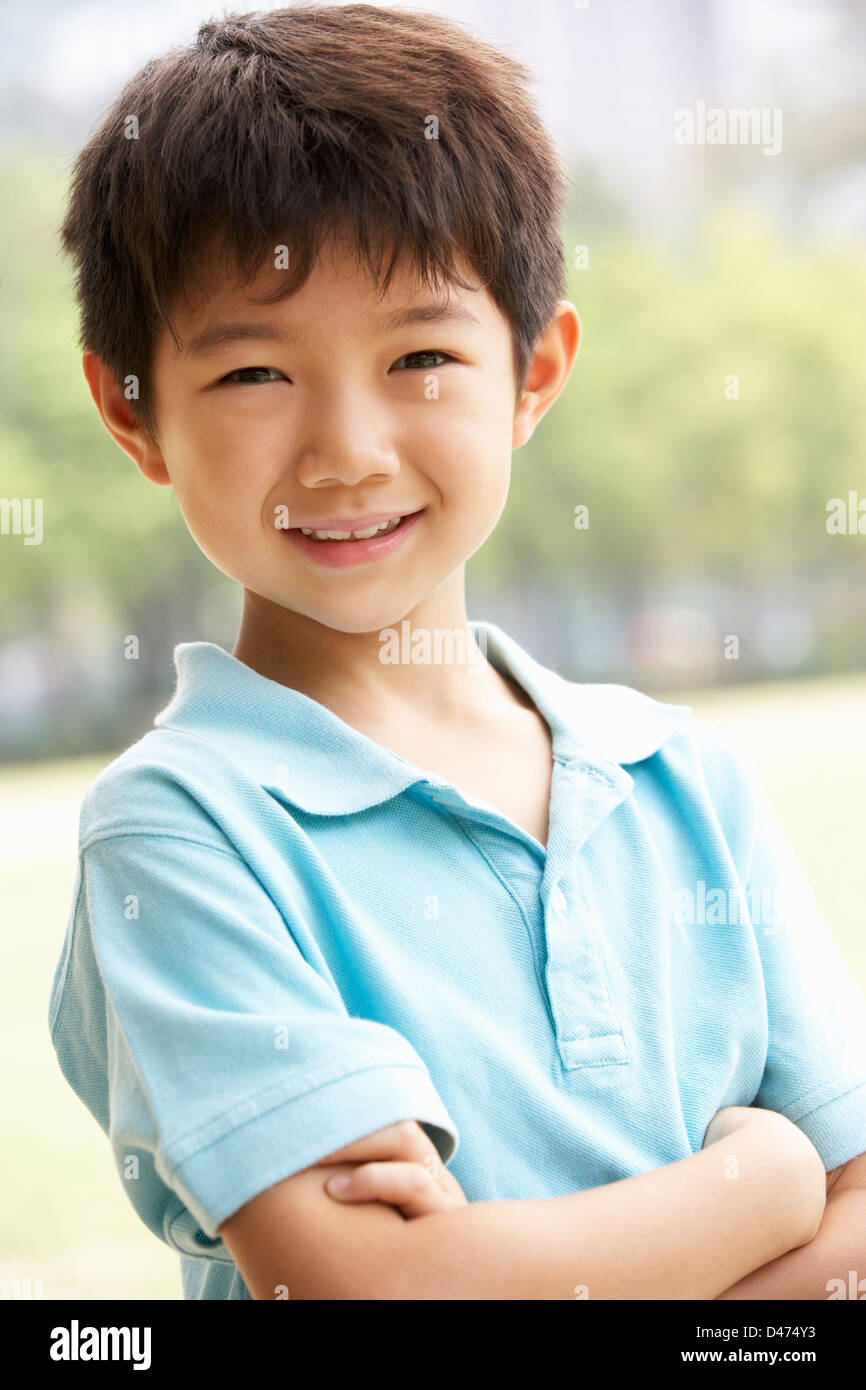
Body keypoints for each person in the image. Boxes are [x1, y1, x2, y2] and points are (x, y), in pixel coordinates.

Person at [48, 3, 866, 1300]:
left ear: (534, 370)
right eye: (255, 373)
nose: (346, 450)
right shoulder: (180, 831)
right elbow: (372, 1288)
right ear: (129, 410)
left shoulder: (679, 776)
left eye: (420, 353)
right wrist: (755, 1187)